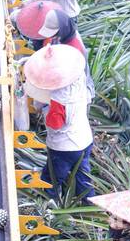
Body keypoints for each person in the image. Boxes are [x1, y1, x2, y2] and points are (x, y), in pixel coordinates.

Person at [22, 43, 94, 200]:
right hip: (84, 138)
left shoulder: (60, 99)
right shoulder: (77, 78)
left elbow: (55, 124)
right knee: (83, 176)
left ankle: (48, 208)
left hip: (65, 147)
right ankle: (89, 206)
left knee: (52, 179)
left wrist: (45, 109)